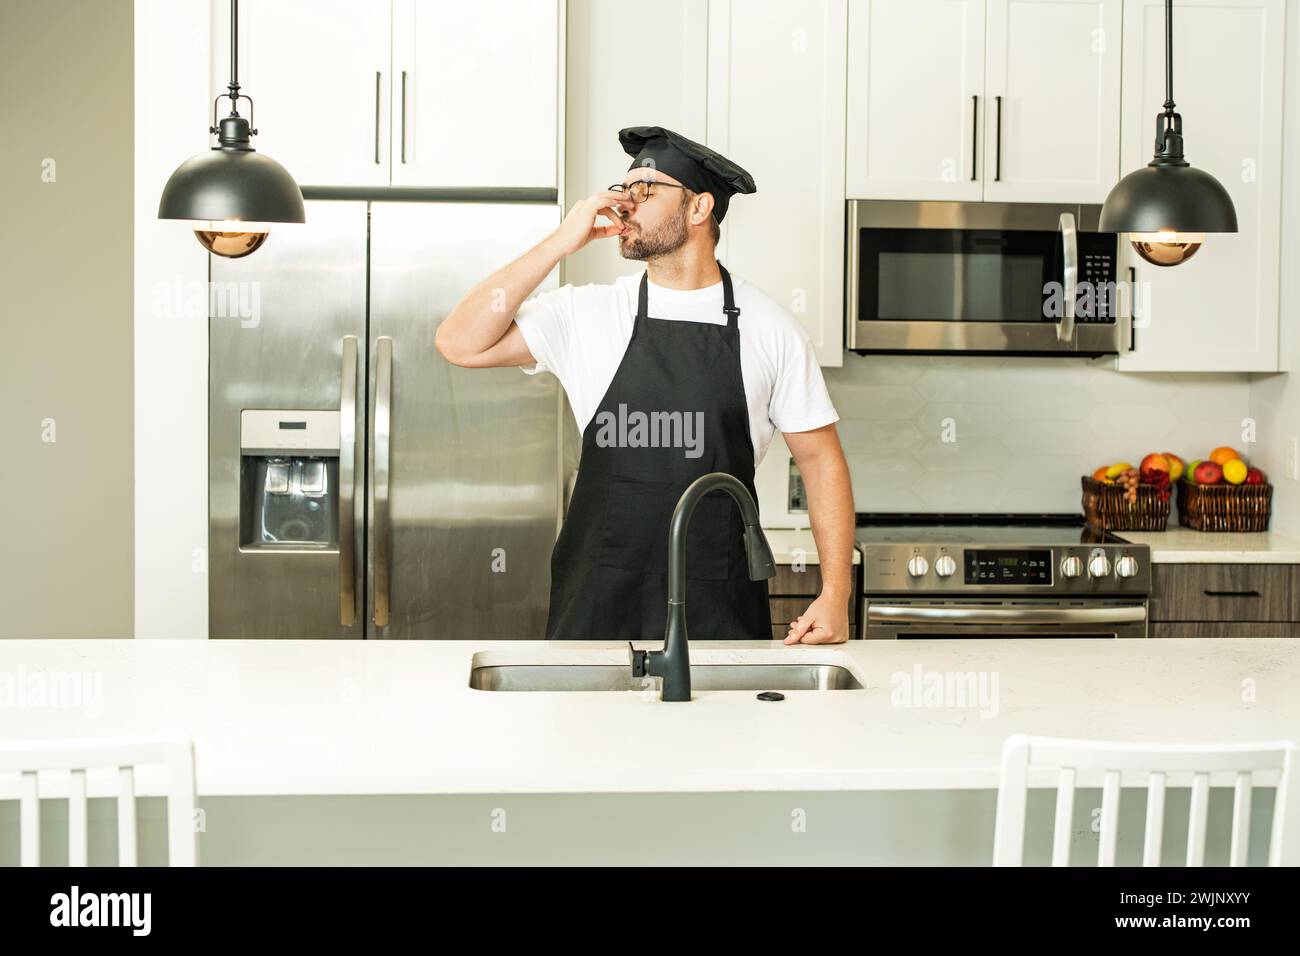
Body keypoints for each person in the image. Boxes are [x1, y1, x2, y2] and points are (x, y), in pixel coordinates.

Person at [436, 126, 854, 644]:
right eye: (623, 188)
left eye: (646, 189)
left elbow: (821, 462)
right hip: (597, 603)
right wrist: (560, 243)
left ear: (699, 208)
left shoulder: (770, 328)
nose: (625, 203)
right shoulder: (586, 312)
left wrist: (836, 593)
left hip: (716, 608)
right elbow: (459, 343)